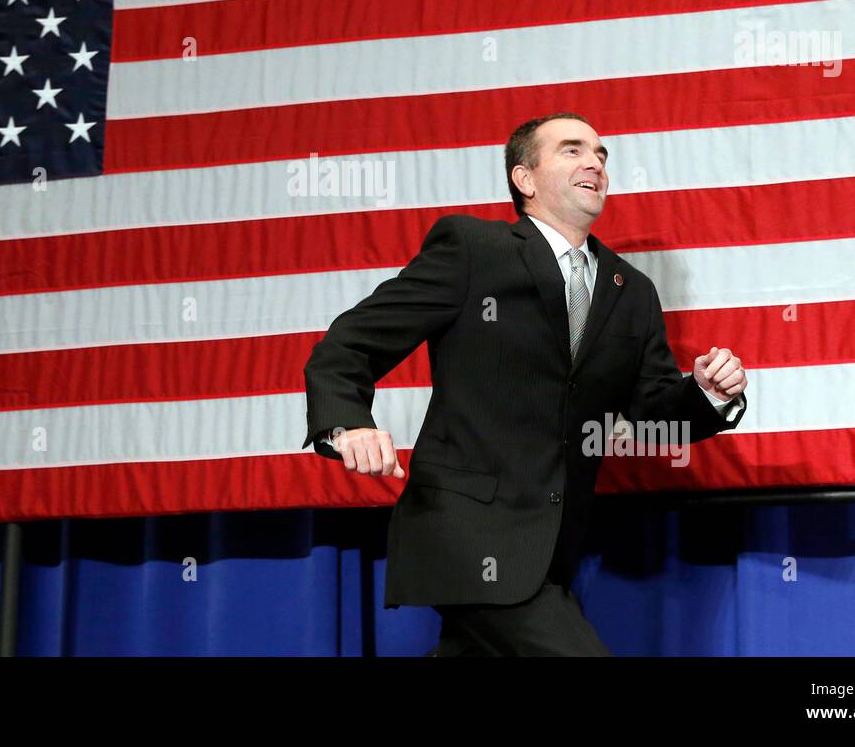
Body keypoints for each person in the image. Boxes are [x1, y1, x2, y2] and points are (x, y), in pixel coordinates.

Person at [302, 112, 749, 656]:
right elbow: (351, 344)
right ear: (525, 179)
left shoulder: (631, 291)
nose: (594, 162)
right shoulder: (473, 249)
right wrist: (349, 424)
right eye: (572, 149)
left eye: (600, 154)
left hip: (550, 554)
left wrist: (707, 394)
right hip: (466, 533)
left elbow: (650, 419)